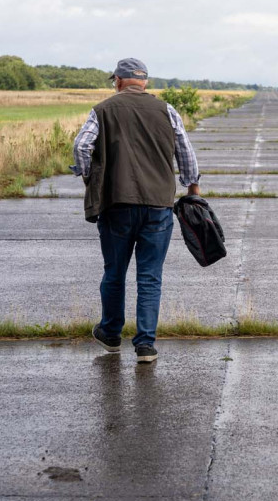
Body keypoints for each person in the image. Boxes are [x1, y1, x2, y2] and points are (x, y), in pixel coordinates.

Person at [71, 58, 201, 363]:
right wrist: (193, 189)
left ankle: (111, 334)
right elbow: (186, 153)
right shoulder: (167, 110)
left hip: (116, 204)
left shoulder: (102, 110)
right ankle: (145, 345)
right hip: (158, 205)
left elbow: (81, 147)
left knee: (114, 273)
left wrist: (90, 175)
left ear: (118, 80)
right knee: (150, 276)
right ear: (144, 82)